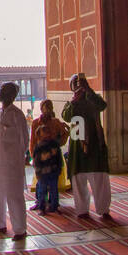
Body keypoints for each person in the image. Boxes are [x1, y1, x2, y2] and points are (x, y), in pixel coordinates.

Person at [62, 72, 113, 221]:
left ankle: (103, 209)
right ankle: (82, 210)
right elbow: (66, 116)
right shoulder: (71, 103)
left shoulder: (93, 99)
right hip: (78, 145)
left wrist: (88, 90)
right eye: (75, 84)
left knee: (99, 178)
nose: (78, 86)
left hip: (95, 144)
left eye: (80, 83)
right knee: (78, 179)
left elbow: (102, 105)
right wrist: (75, 102)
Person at [0, 83, 30, 240]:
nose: (1, 93)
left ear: (11, 95)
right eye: (2, 90)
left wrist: (19, 157)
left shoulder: (17, 114)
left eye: (5, 91)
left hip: (13, 161)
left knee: (14, 195)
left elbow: (25, 138)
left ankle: (20, 229)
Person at [30, 99, 70, 214]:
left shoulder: (55, 122)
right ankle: (40, 203)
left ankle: (53, 204)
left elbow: (63, 137)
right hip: (41, 158)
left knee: (53, 185)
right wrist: (33, 155)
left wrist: (62, 138)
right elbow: (33, 141)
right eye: (44, 106)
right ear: (41, 108)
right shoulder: (36, 123)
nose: (46, 109)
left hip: (52, 157)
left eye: (48, 106)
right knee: (41, 184)